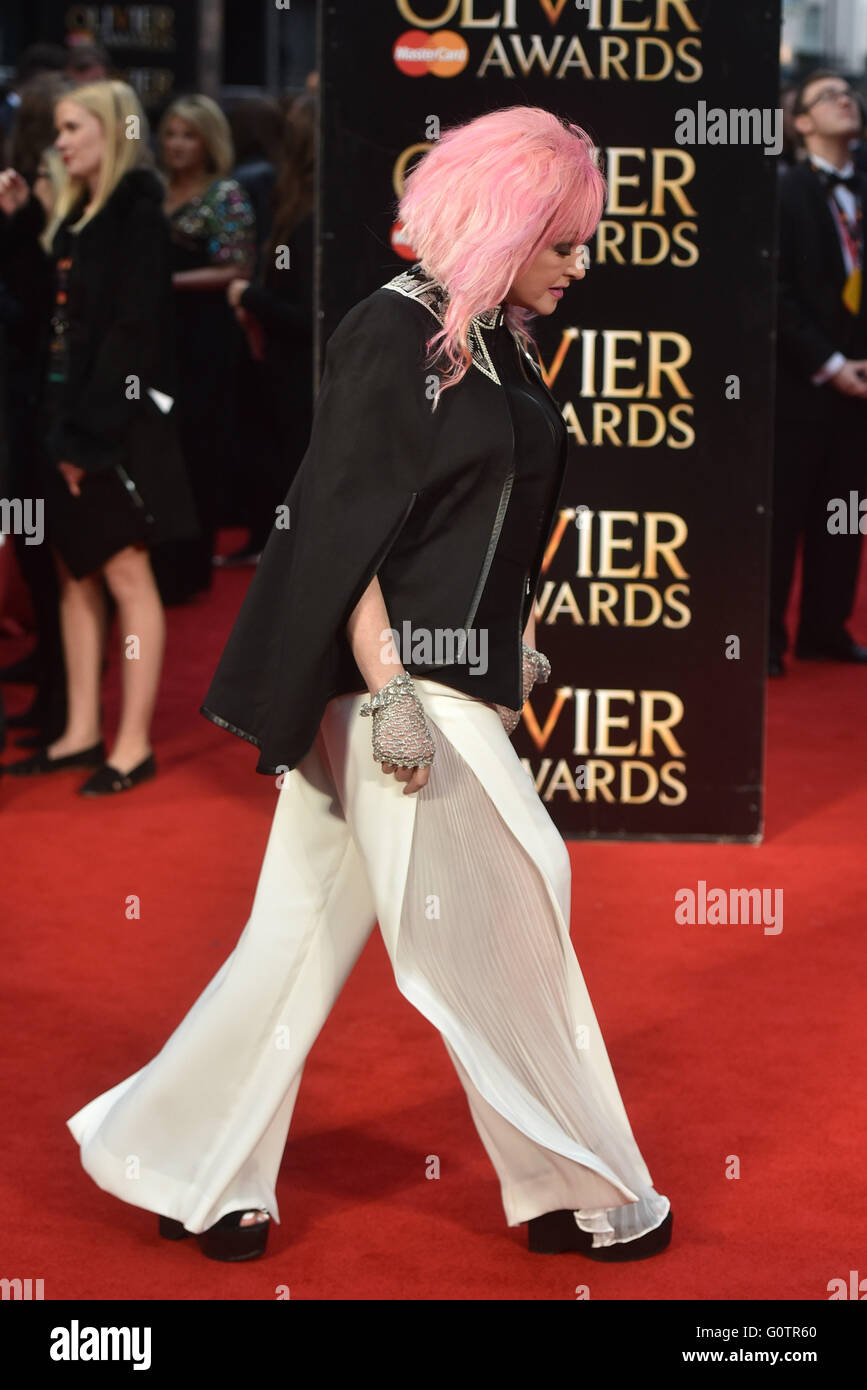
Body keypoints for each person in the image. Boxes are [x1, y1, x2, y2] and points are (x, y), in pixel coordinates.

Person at [66, 107, 673, 1265]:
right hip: (395, 686)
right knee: (520, 903)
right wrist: (390, 686)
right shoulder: (389, 332)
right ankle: (589, 1188)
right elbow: (342, 521)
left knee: (294, 936)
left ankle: (192, 1165)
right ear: (506, 228)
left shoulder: (492, 332)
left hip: (454, 671)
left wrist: (518, 632)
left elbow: (502, 508)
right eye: (564, 243)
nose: (581, 266)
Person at [1, 80, 199, 792]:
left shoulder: (136, 214)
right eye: (57, 129)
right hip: (63, 425)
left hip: (113, 432)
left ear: (111, 131)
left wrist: (88, 437)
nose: (59, 142)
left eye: (72, 128)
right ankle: (81, 731)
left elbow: (131, 337)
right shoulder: (80, 210)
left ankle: (132, 745)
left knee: (123, 574)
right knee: (72, 574)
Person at [769, 70, 867, 675]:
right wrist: (830, 364)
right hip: (801, 383)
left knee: (847, 509)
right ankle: (769, 641)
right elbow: (774, 290)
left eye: (849, 93)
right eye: (826, 96)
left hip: (862, 386)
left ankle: (826, 629)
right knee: (785, 513)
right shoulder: (784, 191)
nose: (844, 100)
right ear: (801, 122)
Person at [148, 94, 255, 604]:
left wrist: (170, 281)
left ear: (208, 140)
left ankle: (189, 568)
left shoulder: (225, 194)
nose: (176, 144)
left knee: (199, 446)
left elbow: (238, 266)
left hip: (205, 337)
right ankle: (156, 560)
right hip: (155, 336)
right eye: (170, 133)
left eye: (188, 134)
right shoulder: (152, 189)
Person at [223, 93, 315, 564]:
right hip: (283, 367)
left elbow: (307, 315)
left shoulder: (310, 218)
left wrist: (249, 296)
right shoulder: (295, 205)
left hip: (299, 372)